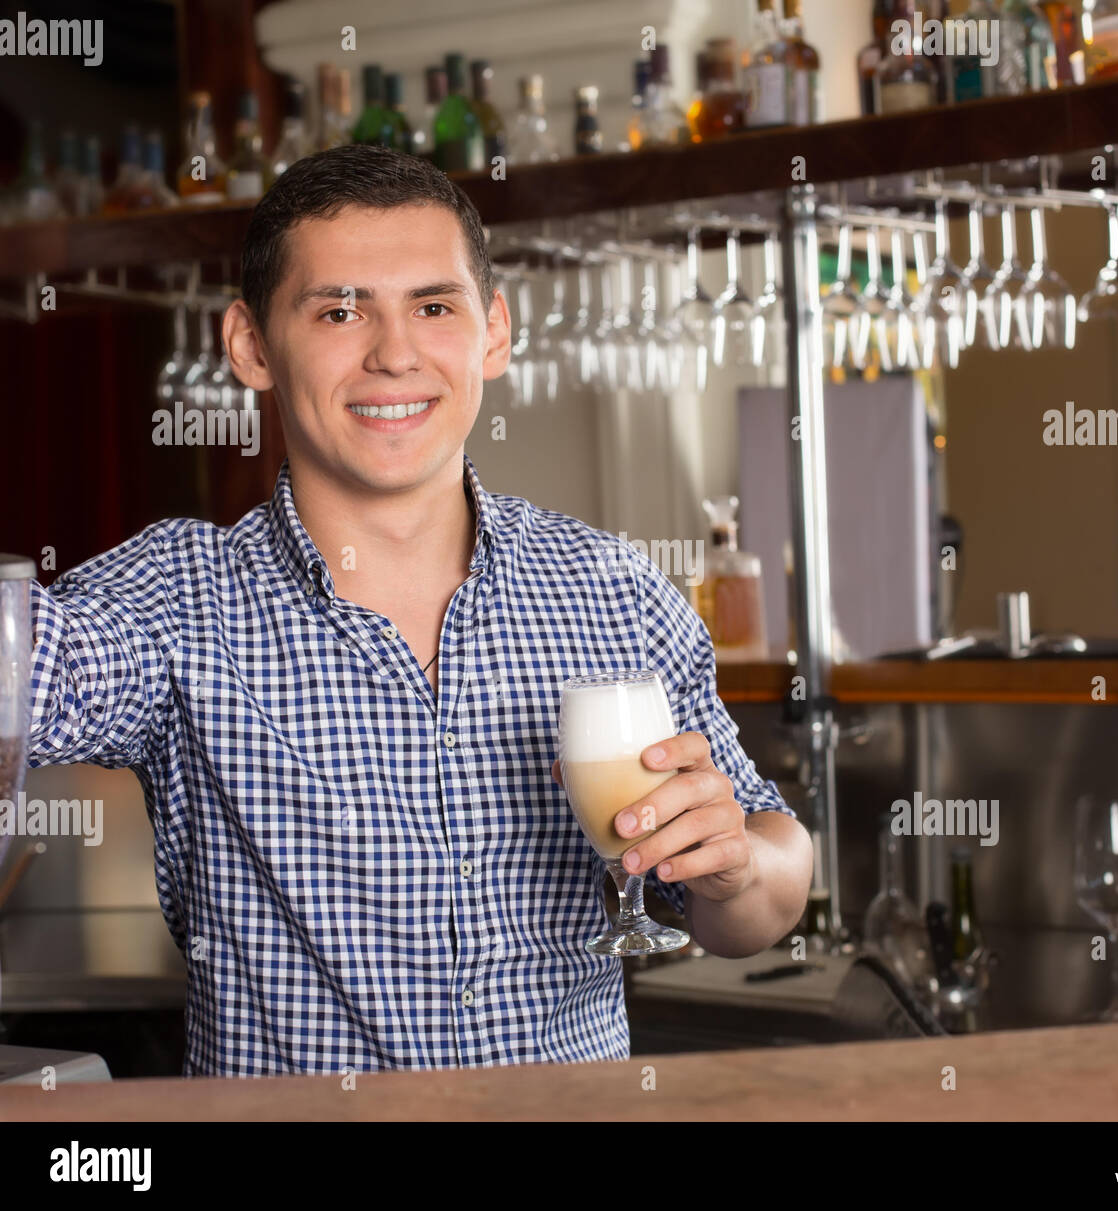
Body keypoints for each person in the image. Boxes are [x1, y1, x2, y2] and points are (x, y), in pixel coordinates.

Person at [28, 144, 813, 1077]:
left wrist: (740, 867)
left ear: (493, 333)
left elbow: (761, 888)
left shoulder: (614, 589)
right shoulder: (177, 600)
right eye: (338, 309)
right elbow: (26, 679)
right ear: (249, 345)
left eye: (433, 307)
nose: (394, 352)